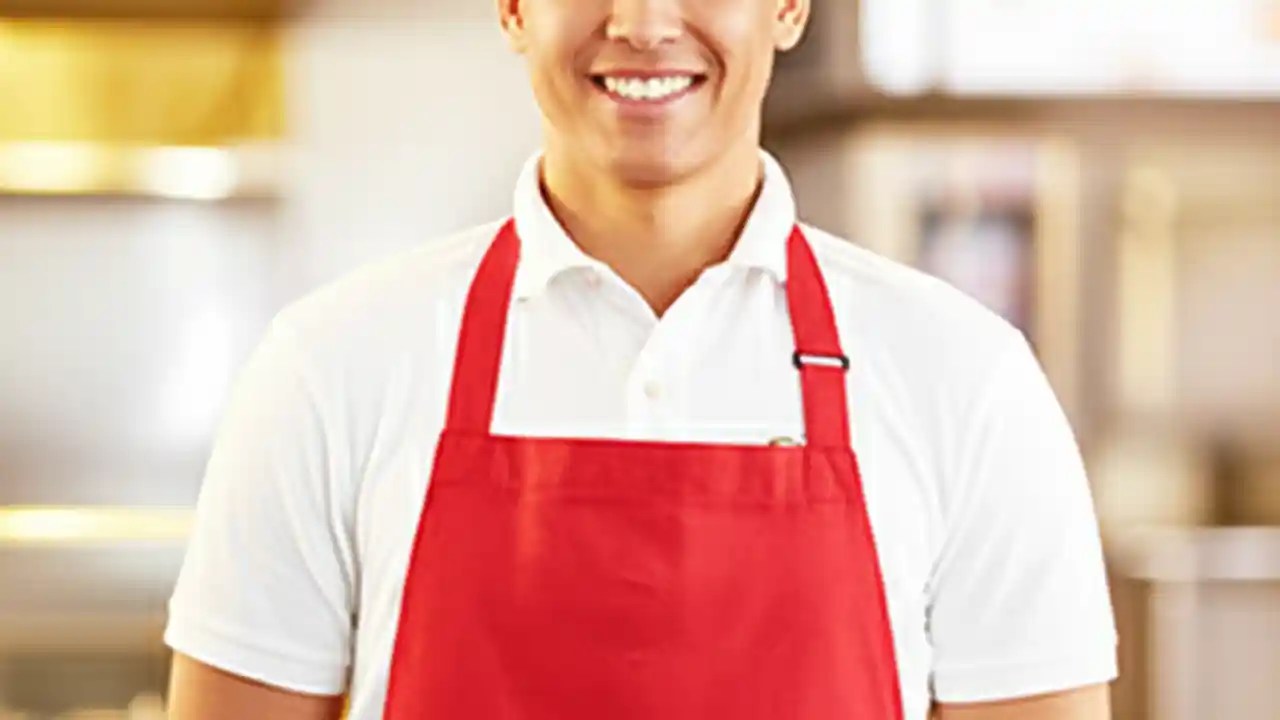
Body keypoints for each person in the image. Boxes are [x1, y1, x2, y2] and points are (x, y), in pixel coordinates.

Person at [163, 0, 1118, 717]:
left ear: (789, 5)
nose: (644, 22)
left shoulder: (967, 379)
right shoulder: (331, 367)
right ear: (512, 8)